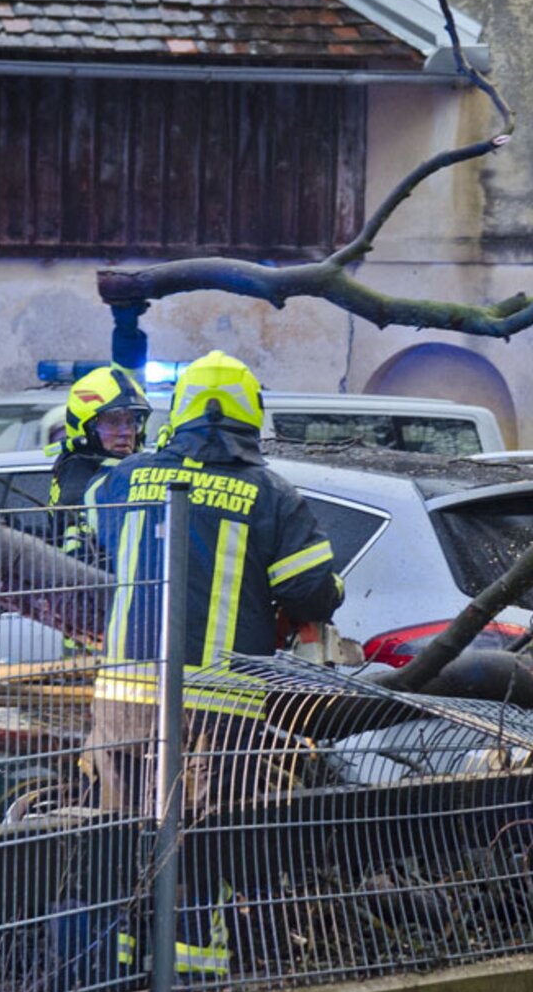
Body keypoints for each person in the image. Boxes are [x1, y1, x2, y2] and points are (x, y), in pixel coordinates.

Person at [83, 350, 343, 817]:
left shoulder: (123, 479)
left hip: (123, 698)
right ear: (252, 416)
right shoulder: (271, 495)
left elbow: (96, 528)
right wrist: (336, 590)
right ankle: (202, 894)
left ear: (180, 410)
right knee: (207, 840)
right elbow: (311, 593)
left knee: (122, 837)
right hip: (220, 707)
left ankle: (133, 893)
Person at [48, 364, 151, 559]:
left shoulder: (98, 466)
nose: (126, 432)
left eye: (131, 422)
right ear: (87, 426)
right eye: (113, 422)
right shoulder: (80, 472)